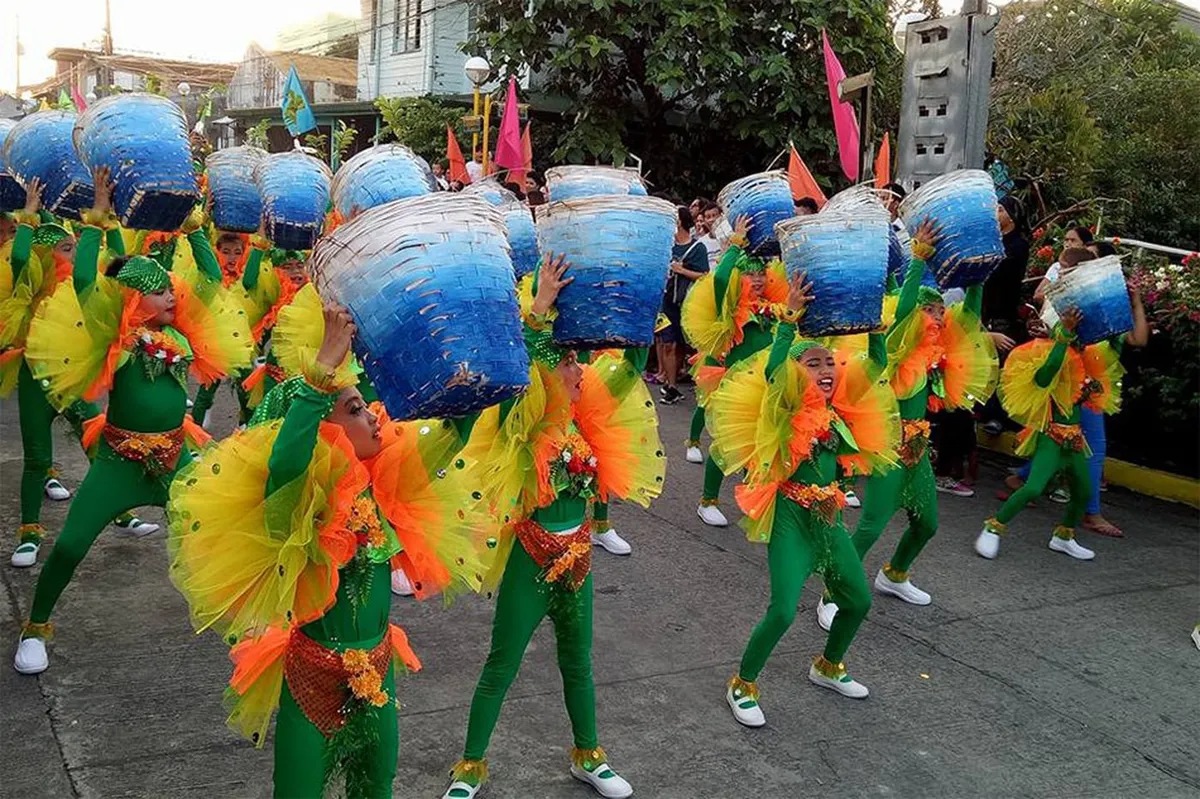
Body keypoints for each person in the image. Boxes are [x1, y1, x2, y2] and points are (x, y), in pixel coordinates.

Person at [168, 303, 489, 798]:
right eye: (356, 410)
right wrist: (319, 378)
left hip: (378, 674)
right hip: (312, 682)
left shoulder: (385, 484)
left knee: (377, 787)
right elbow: (286, 462)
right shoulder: (299, 509)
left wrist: (467, 358)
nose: (374, 417)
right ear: (325, 431)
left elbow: (455, 433)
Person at [441, 257, 664, 799]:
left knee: (578, 660)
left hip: (578, 556)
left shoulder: (588, 422)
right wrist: (540, 308)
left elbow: (631, 364)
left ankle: (589, 754)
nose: (577, 369)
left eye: (577, 360)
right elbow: (522, 358)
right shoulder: (524, 422)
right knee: (503, 661)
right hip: (531, 556)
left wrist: (638, 295)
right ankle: (470, 766)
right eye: (567, 362)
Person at [13, 173, 251, 675]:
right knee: (73, 544)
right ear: (131, 301)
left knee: (214, 533)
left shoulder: (183, 335)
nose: (172, 297)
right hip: (119, 461)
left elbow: (208, 283)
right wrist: (98, 220)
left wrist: (194, 231)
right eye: (159, 292)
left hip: (173, 456)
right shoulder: (116, 339)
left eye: (170, 289)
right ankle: (35, 625)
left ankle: (246, 619)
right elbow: (83, 282)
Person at [707, 273, 902, 717]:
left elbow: (876, 367)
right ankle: (743, 683)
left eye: (829, 362)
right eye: (813, 364)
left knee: (859, 600)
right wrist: (789, 319)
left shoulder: (839, 412)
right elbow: (776, 370)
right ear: (797, 374)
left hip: (829, 518)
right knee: (782, 611)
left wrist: (873, 328)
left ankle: (828, 665)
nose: (826, 369)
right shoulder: (784, 409)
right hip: (791, 519)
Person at [826, 221, 997, 629]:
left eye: (940, 310)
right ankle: (833, 593)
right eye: (930, 310)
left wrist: (978, 278)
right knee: (870, 525)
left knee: (928, 523)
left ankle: (895, 574)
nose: (938, 317)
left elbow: (970, 316)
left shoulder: (936, 355)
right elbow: (902, 314)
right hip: (889, 449)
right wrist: (918, 259)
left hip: (917, 451)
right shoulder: (901, 352)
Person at [1004, 247, 1149, 537]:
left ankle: (1026, 482)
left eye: (1066, 271)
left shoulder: (1104, 303)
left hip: (1091, 387)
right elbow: (1050, 334)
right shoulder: (1067, 302)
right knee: (1079, 444)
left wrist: (1135, 303)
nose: (1061, 275)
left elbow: (1138, 339)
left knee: (1077, 445)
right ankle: (1087, 513)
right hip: (1063, 383)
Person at [974, 302, 1123, 561]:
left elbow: (1113, 354)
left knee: (1083, 491)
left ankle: (1064, 536)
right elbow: (1045, 377)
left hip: (1075, 438)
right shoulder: (1046, 355)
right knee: (1033, 488)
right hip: (1051, 436)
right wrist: (1064, 337)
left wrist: (1115, 329)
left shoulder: (1087, 358)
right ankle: (993, 527)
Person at [681, 215, 789, 526]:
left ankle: (757, 497)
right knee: (725, 443)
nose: (756, 280)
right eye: (749, 274)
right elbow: (718, 279)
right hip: (736, 385)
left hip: (769, 383)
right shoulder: (729, 310)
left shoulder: (773, 309)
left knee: (765, 441)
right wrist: (736, 244)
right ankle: (708, 500)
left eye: (761, 274)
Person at [658, 206, 709, 406]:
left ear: (680, 221)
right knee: (668, 343)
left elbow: (704, 275)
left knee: (685, 345)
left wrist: (681, 270)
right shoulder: (666, 247)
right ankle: (671, 387)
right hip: (666, 302)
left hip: (688, 304)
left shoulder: (698, 248)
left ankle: (699, 384)